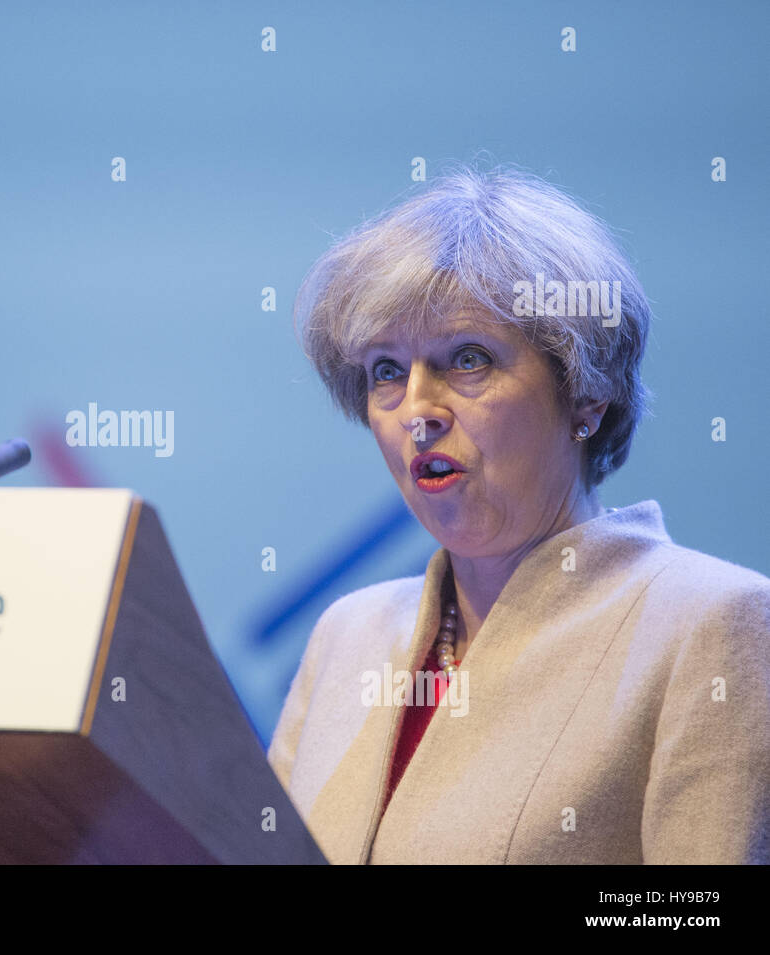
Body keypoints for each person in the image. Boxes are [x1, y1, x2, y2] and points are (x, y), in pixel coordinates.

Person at [268, 164, 770, 864]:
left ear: (587, 395)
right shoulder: (345, 634)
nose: (416, 410)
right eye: (386, 370)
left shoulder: (714, 622)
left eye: (467, 359)